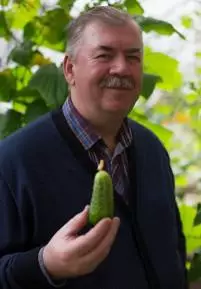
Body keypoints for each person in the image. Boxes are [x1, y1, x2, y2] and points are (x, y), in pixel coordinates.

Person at [0, 5, 188, 289]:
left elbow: (173, 246)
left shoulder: (152, 150)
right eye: (104, 55)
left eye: (133, 57)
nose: (122, 68)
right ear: (69, 69)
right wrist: (44, 264)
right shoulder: (13, 162)